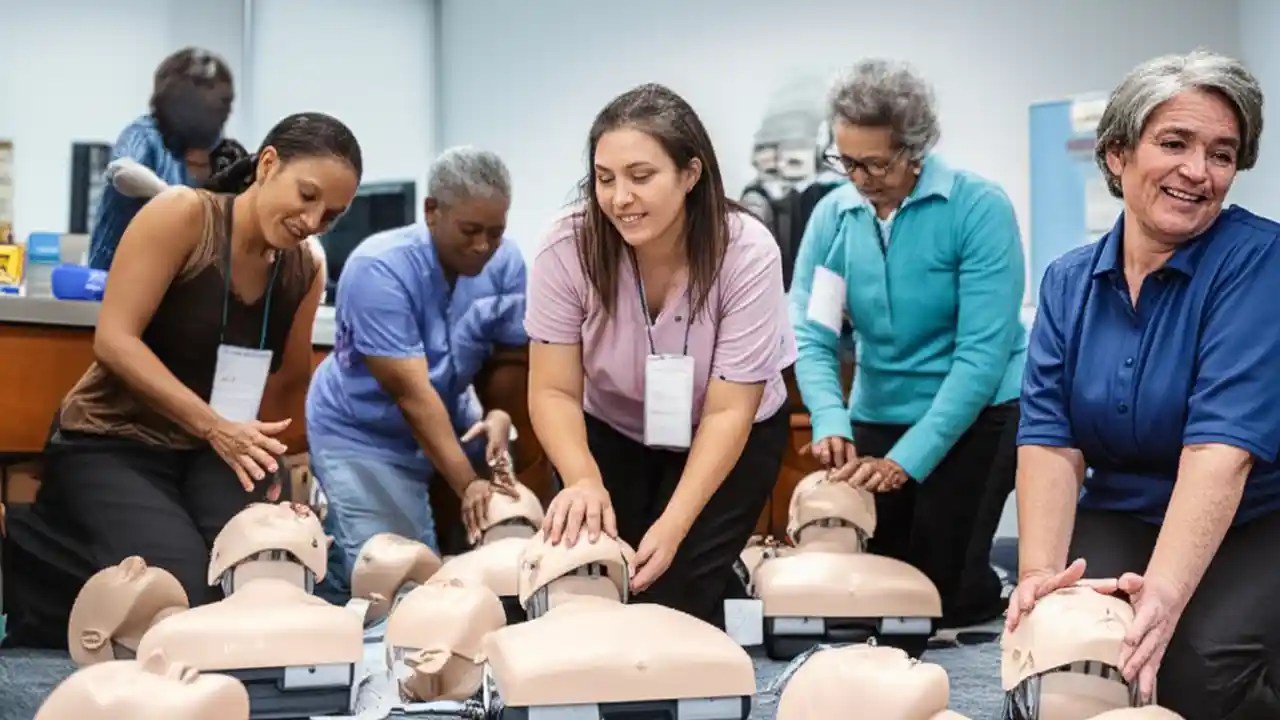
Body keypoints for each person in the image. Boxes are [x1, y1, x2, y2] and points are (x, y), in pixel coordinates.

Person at [2, 112, 362, 648]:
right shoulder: (184, 216)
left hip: (214, 450)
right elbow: (114, 340)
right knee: (183, 593)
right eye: (306, 196)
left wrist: (281, 481)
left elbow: (288, 385)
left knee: (254, 576)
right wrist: (216, 426)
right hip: (112, 439)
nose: (312, 221)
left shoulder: (304, 268)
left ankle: (110, 564)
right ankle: (22, 549)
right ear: (267, 165)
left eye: (330, 216)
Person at [1007, 50, 1280, 719]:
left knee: (1187, 670)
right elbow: (1050, 438)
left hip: (1255, 516)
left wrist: (1161, 595)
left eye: (1222, 153)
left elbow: (1222, 450)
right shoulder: (1068, 281)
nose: (1198, 171)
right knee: (1073, 657)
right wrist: (1041, 580)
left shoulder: (1260, 261)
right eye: (1174, 143)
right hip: (1124, 506)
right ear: (1116, 155)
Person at [525, 83, 795, 628]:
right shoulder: (566, 245)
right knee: (592, 580)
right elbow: (552, 389)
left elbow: (728, 412)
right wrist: (582, 480)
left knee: (671, 598)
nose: (620, 198)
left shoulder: (746, 251)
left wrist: (675, 527)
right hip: (610, 428)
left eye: (641, 177)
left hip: (726, 433)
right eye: (605, 179)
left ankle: (715, 579)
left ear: (690, 174)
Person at [788, 59, 1026, 629]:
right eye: (846, 161)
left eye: (876, 162)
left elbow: (980, 356)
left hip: (979, 410)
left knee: (939, 595)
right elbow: (814, 334)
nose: (860, 177)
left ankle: (987, 585)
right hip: (882, 405)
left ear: (916, 149)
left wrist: (908, 461)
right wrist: (829, 419)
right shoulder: (835, 217)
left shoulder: (976, 208)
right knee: (880, 581)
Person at [305, 146, 527, 601]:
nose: (484, 246)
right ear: (432, 212)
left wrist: (501, 414)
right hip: (363, 433)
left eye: (495, 232)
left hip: (451, 409)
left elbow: (509, 355)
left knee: (505, 541)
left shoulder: (505, 264)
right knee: (396, 578)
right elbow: (410, 393)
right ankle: (320, 580)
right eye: (470, 231)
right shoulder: (379, 269)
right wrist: (468, 485)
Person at [89, 47, 235, 271]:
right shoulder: (146, 133)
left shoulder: (215, 146)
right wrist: (177, 199)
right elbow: (122, 170)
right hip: (115, 278)